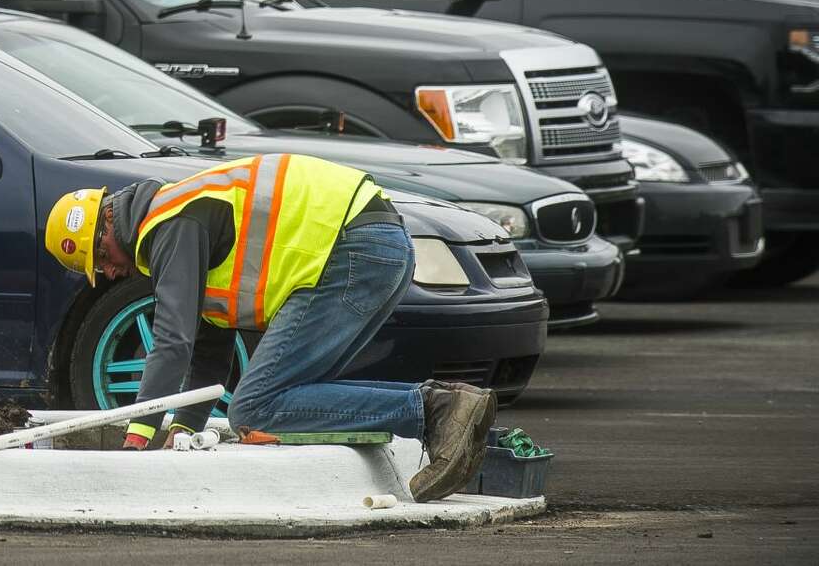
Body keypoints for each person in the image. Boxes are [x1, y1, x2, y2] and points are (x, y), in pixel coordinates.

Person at [44, 153, 496, 502]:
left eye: (100, 258)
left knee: (254, 409)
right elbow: (206, 351)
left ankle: (434, 410)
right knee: (292, 395)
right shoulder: (179, 221)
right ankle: (449, 417)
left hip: (349, 250)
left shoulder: (170, 223)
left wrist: (137, 437)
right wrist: (183, 428)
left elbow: (172, 342)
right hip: (375, 245)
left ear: (108, 222)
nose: (109, 272)